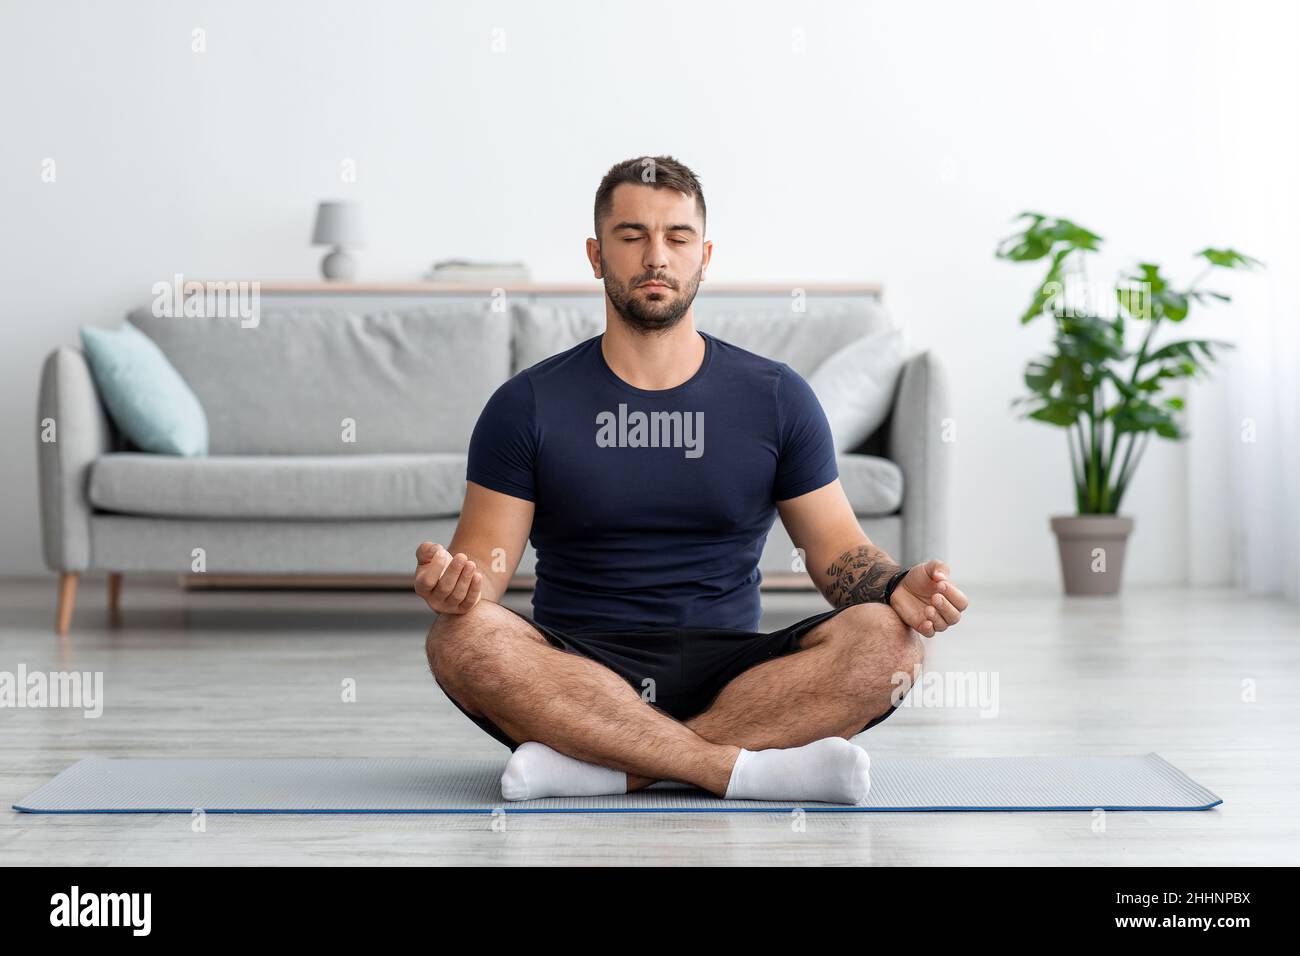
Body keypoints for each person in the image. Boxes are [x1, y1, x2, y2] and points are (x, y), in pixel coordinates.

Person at [416, 155, 968, 804]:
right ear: (596, 256)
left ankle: (610, 767)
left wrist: (897, 584)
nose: (657, 256)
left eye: (677, 238)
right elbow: (484, 573)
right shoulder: (526, 404)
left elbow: (840, 556)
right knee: (463, 638)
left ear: (703, 256)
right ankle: (735, 770)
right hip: (577, 670)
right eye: (632, 236)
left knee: (888, 642)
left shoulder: (777, 397)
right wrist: (454, 587)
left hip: (736, 672)